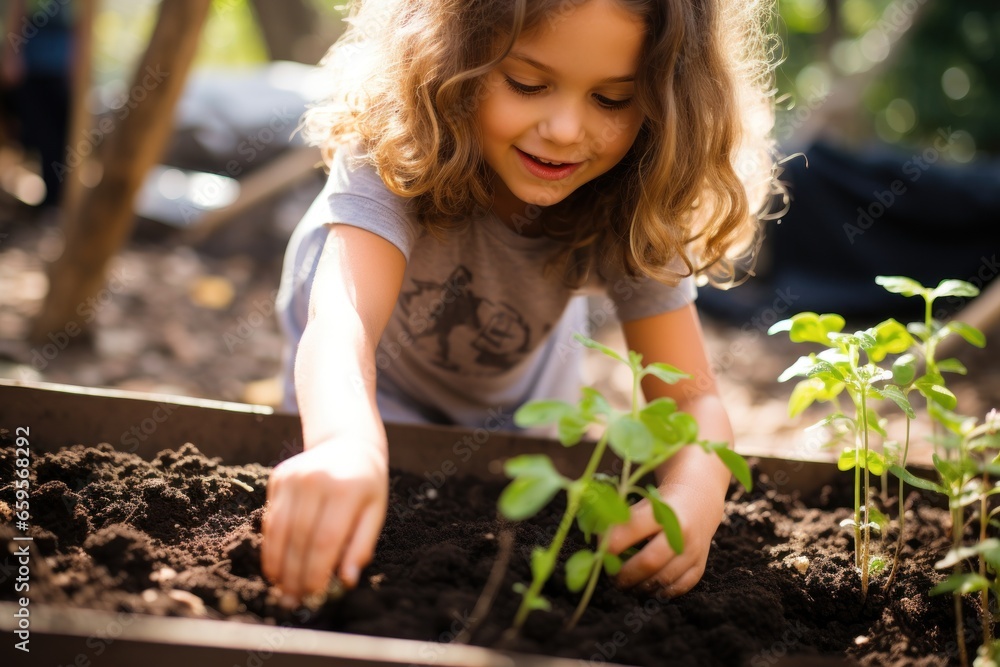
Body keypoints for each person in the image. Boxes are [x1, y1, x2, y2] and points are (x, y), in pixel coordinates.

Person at [263, 0, 781, 609]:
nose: (564, 128)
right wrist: (341, 444)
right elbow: (340, 324)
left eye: (612, 99)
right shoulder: (398, 150)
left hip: (520, 410)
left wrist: (695, 490)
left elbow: (692, 396)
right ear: (451, 62)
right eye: (528, 84)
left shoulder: (633, 201)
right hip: (364, 397)